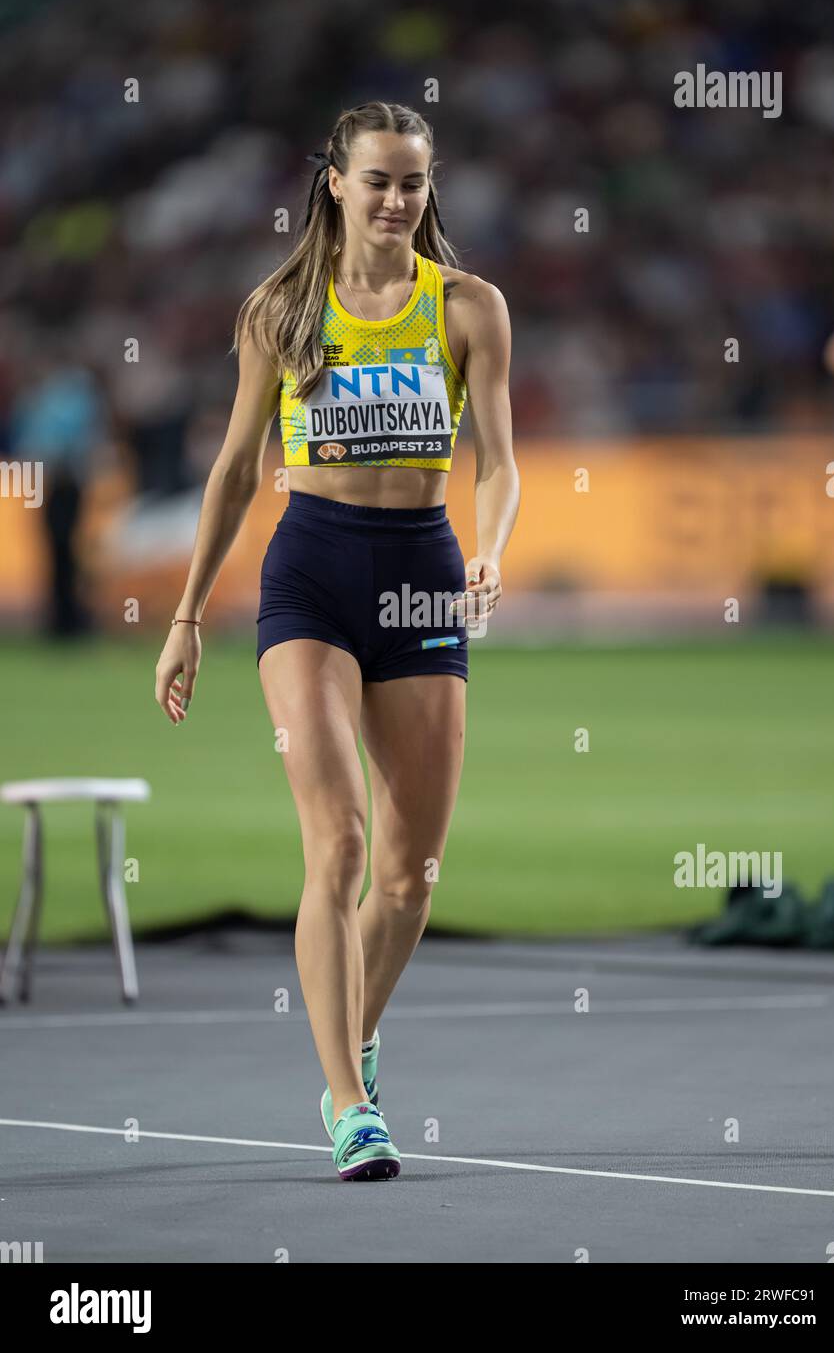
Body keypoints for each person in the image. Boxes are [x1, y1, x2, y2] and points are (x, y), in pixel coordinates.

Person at [154, 101, 519, 1180]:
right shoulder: (281, 309)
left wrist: (489, 546)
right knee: (342, 844)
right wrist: (183, 616)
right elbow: (229, 474)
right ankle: (351, 1104)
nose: (399, 201)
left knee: (409, 876)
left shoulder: (468, 308)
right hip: (310, 572)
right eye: (378, 181)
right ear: (333, 182)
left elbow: (497, 459)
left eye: (413, 182)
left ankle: (348, 1034)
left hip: (421, 571)